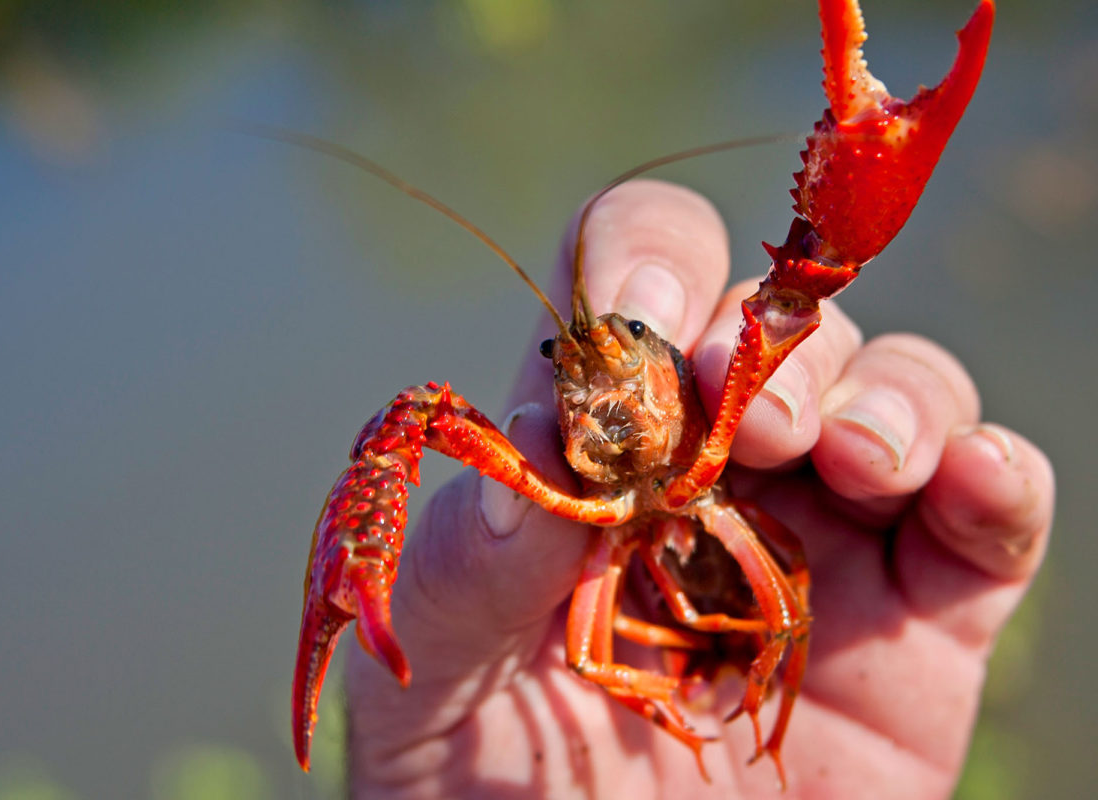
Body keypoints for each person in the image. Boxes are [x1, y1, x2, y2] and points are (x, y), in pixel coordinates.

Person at [341, 180, 1056, 798]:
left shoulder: (718, 426)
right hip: (617, 560)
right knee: (412, 416)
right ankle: (697, 722)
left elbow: (806, 284)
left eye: (631, 337)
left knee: (788, 595)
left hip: (723, 532)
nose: (598, 382)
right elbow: (407, 428)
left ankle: (757, 729)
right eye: (570, 365)